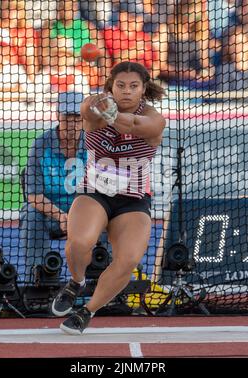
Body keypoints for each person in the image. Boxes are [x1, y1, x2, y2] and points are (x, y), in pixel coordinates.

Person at [51, 61, 166, 335]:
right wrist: (101, 104)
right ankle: (76, 282)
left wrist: (114, 115)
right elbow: (86, 109)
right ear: (111, 87)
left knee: (128, 259)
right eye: (120, 85)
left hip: (133, 201)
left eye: (133, 86)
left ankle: (87, 311)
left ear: (144, 89)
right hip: (95, 193)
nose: (126, 91)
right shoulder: (97, 109)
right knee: (78, 243)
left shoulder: (154, 118)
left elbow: (138, 125)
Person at [19, 91, 87, 284]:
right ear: (58, 116)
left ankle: (98, 281)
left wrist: (79, 215)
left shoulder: (94, 144)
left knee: (108, 215)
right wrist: (61, 216)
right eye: (67, 118)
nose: (72, 125)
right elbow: (33, 196)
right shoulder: (40, 145)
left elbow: (101, 190)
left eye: (77, 119)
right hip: (51, 215)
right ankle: (38, 280)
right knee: (31, 215)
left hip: (86, 215)